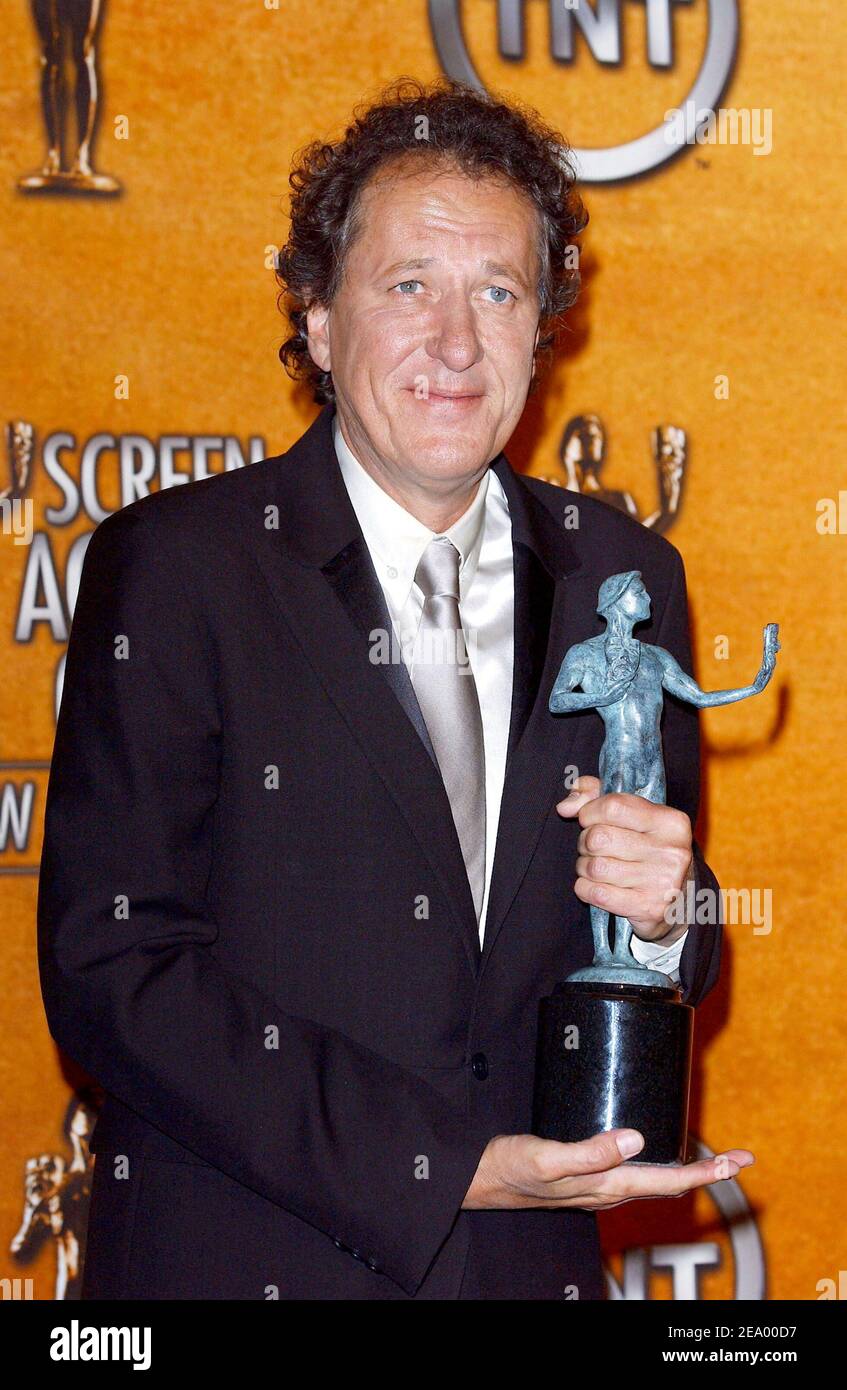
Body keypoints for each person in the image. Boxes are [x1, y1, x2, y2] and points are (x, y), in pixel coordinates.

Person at [37, 76, 751, 1302]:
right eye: (408, 285)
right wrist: (448, 1168)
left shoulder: (624, 575)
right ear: (317, 317)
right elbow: (115, 971)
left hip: (530, 1275)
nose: (457, 344)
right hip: (244, 1265)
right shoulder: (179, 568)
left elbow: (667, 943)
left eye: (498, 293)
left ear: (545, 326)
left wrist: (663, 917)